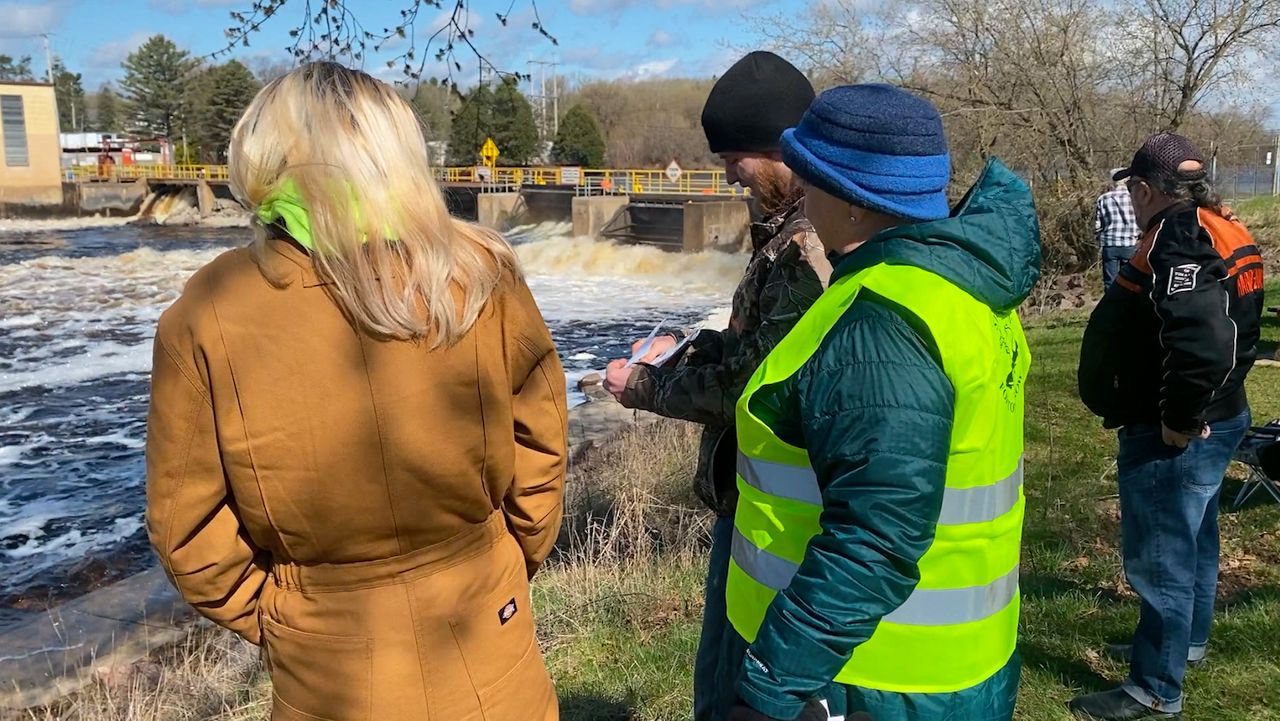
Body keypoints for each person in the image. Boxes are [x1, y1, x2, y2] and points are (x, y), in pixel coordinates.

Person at [145, 62, 567, 721]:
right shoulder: (481, 275)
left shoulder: (207, 313)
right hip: (490, 632)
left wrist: (285, 614)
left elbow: (186, 530)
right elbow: (542, 449)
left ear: (264, 158)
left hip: (329, 674)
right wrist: (502, 558)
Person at [720, 83, 1039, 721]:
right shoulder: (955, 287)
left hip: (866, 680)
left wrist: (769, 690)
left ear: (858, 204)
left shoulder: (884, 325)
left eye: (812, 177)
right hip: (944, 667)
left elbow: (874, 536)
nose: (802, 194)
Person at [601, 50, 831, 721]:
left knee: (736, 684)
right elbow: (752, 348)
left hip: (780, 507)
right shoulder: (788, 229)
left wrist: (642, 383)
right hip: (759, 495)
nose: (727, 172)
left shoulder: (805, 247)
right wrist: (692, 349)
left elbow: (752, 387)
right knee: (723, 673)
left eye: (737, 156)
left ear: (784, 147)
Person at [1073, 133, 1263, 720]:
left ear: (1146, 188)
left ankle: (1154, 688)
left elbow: (1202, 342)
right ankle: (1185, 646)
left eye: (1132, 186)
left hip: (1177, 431)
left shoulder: (1180, 239)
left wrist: (1179, 419)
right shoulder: (1214, 223)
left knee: (1162, 561)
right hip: (1223, 415)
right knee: (1197, 542)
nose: (1130, 196)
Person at [1096, 170, 1142, 290]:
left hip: (1110, 244)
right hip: (1129, 243)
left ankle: (1111, 306)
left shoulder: (1103, 199)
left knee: (1110, 282)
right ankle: (1128, 306)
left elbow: (1098, 225)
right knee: (1129, 281)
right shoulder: (1134, 197)